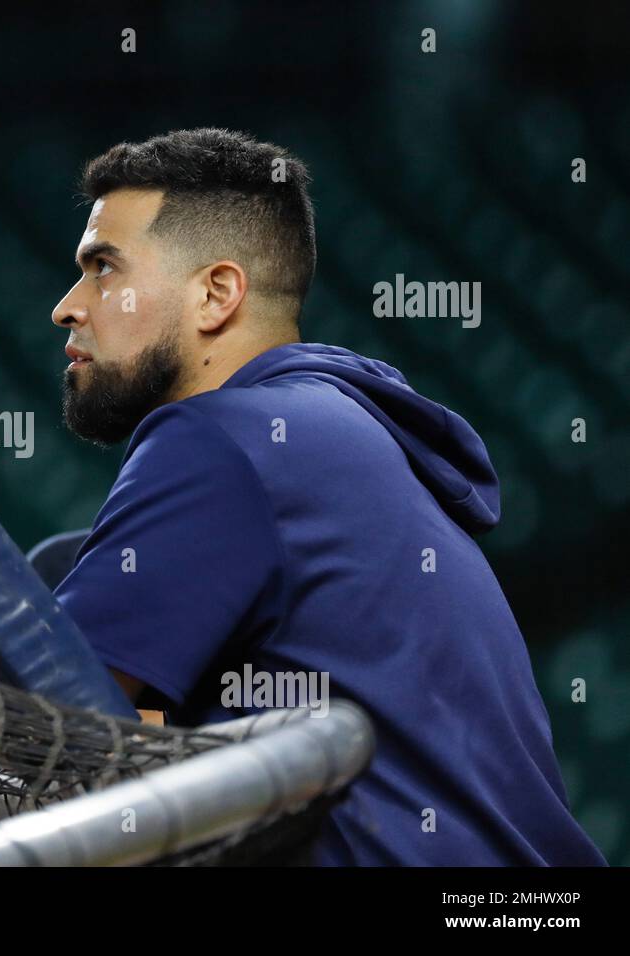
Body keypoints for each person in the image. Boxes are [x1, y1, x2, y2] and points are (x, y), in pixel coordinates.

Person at [46, 128, 605, 865]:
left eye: (103, 267)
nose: (67, 306)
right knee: (55, 566)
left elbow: (46, 716)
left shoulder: (225, 437)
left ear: (216, 293)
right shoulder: (338, 430)